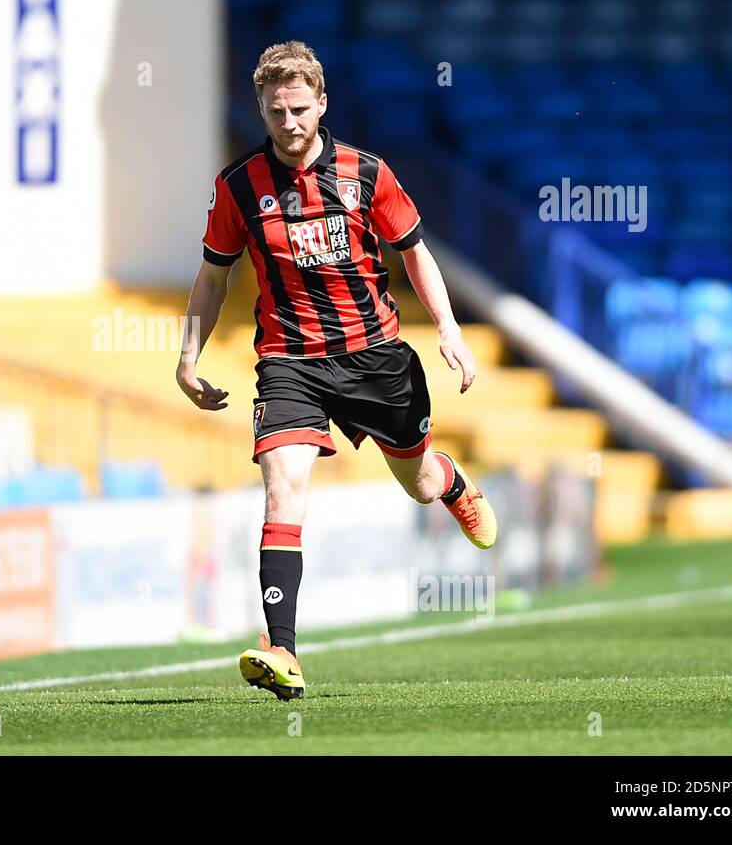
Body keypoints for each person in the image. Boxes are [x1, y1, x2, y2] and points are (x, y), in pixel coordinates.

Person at [175, 41, 497, 700]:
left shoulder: (365, 174)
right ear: (260, 109)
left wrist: (449, 330)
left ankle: (452, 480)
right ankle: (283, 650)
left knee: (420, 482)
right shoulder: (238, 187)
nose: (287, 122)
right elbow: (213, 277)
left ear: (321, 104)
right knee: (282, 488)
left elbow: (416, 254)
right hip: (289, 362)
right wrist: (187, 357)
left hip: (376, 357)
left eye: (298, 109)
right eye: (274, 111)